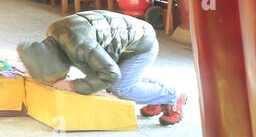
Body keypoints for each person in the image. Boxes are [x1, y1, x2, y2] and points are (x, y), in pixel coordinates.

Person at [16, 9, 188, 126]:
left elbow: (110, 74)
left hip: (142, 45)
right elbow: (95, 65)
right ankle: (154, 97)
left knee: (119, 88)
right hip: (124, 40)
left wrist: (73, 85)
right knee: (110, 82)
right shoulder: (56, 36)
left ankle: (172, 96)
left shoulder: (79, 44)